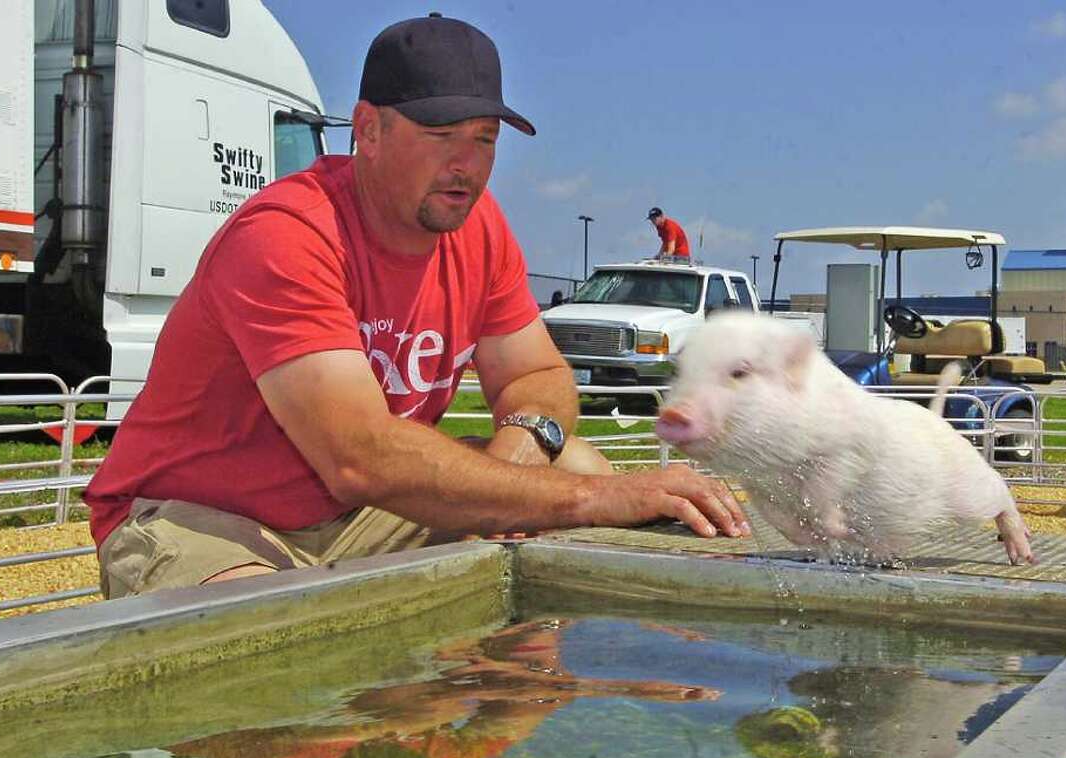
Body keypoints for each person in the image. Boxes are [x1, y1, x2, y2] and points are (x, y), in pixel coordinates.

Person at [83, 14, 747, 599]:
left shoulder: (478, 228)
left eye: (485, 138)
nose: (467, 164)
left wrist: (518, 458)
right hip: (203, 517)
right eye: (441, 133)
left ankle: (523, 696)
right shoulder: (288, 234)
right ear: (368, 130)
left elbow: (538, 375)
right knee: (270, 645)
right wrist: (586, 499)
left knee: (572, 461)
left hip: (355, 512)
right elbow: (359, 456)